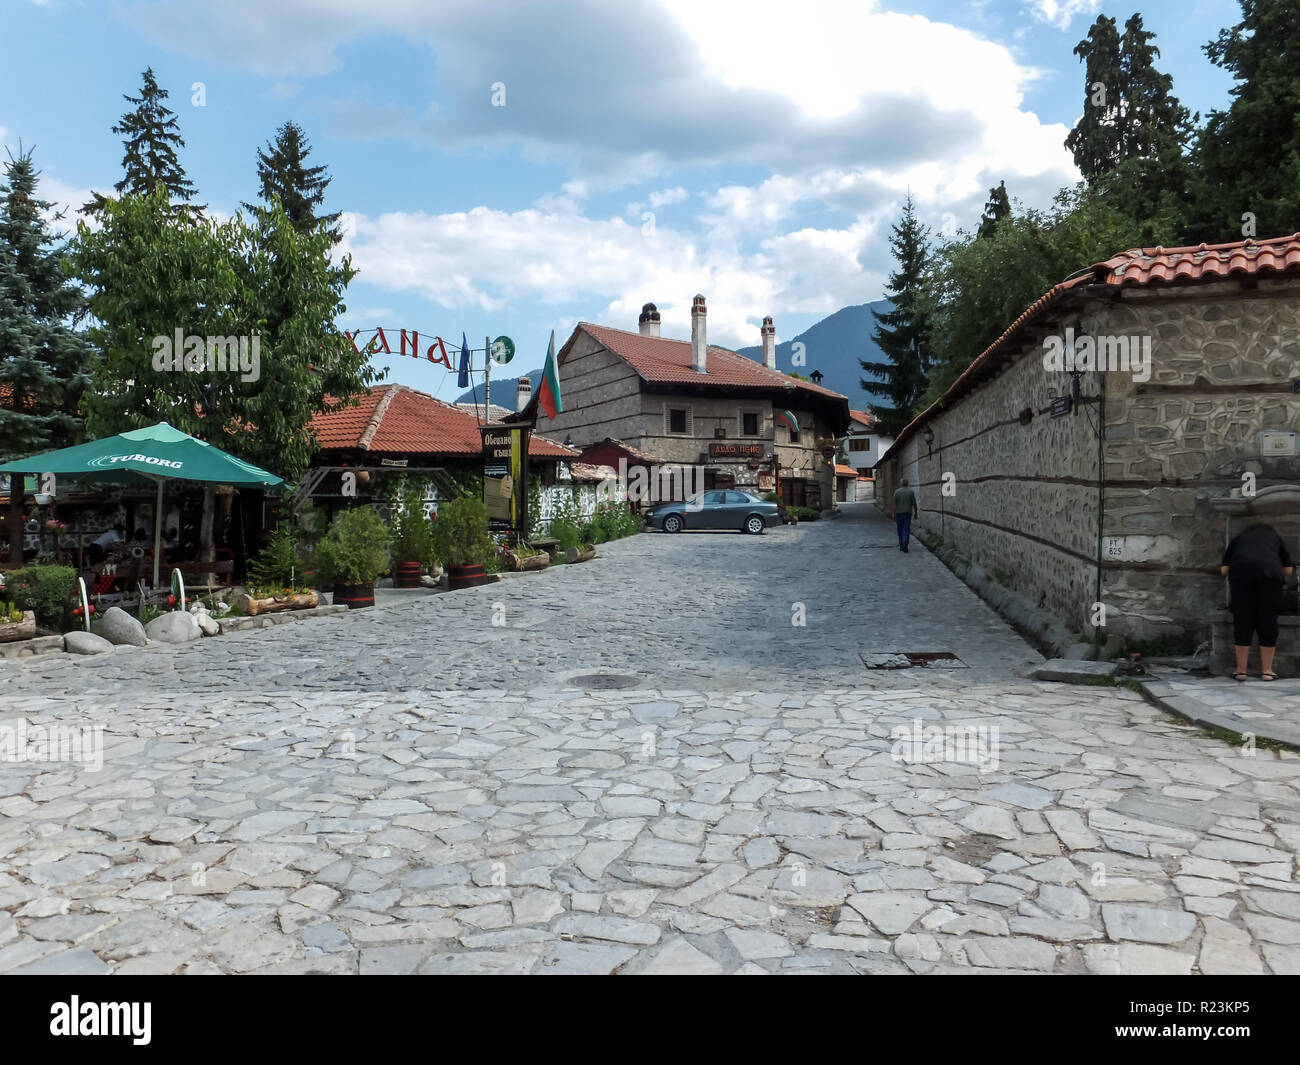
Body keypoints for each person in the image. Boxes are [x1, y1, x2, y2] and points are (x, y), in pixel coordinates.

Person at [1221, 522, 1294, 681]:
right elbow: (1288, 570)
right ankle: (1267, 671)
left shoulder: (1238, 539)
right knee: (1268, 619)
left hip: (1241, 575)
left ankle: (1241, 671)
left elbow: (1224, 570)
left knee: (1243, 619)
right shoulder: (1275, 537)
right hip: (1270, 575)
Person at [893, 478, 919, 552]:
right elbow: (914, 503)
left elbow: (895, 504)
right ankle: (905, 543)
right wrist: (916, 513)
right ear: (907, 483)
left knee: (900, 529)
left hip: (899, 513)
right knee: (906, 529)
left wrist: (893, 513)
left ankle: (901, 544)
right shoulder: (911, 492)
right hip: (908, 513)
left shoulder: (896, 492)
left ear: (901, 484)